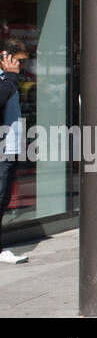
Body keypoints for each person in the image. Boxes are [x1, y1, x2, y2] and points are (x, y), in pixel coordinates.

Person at [0, 40, 28, 263]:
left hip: (10, 147)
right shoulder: (8, 79)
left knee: (3, 198)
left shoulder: (10, 79)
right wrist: (10, 77)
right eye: (19, 60)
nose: (21, 66)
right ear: (5, 57)